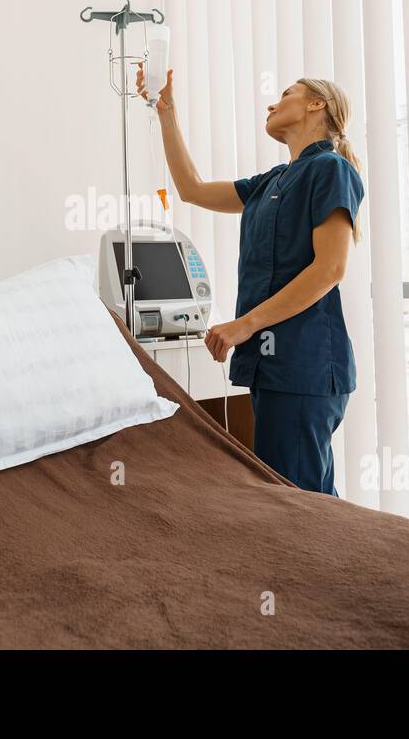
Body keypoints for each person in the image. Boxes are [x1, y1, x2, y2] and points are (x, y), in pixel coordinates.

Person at [137, 66, 363, 496]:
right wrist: (166, 112)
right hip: (272, 368)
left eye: (286, 93)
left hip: (304, 366)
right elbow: (192, 189)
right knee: (294, 497)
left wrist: (244, 325)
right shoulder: (272, 182)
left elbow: (330, 269)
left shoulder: (330, 171)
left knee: (300, 504)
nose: (272, 102)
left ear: (317, 104)